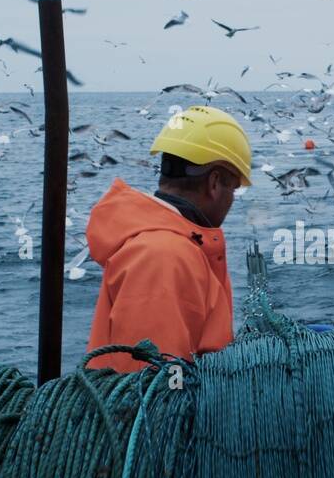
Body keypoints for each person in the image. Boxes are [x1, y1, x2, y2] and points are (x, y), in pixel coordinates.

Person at [85, 105, 252, 372]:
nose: (231, 200)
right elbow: (151, 390)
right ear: (214, 182)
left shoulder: (176, 245)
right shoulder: (164, 257)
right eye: (233, 188)